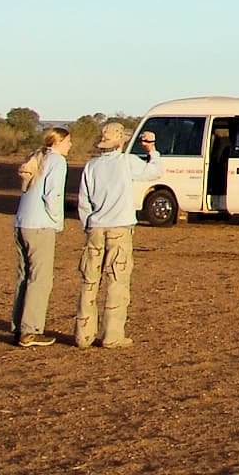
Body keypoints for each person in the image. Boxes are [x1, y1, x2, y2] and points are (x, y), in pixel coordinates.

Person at [74, 122, 161, 349]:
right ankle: (112, 335)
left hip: (95, 227)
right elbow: (154, 171)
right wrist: (151, 150)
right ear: (121, 141)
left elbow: (84, 201)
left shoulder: (91, 166)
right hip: (120, 227)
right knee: (117, 281)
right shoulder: (126, 162)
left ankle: (83, 335)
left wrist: (88, 226)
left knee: (89, 280)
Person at [10, 126, 72, 347]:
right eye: (67, 142)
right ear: (58, 142)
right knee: (40, 279)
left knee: (24, 277)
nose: (70, 146)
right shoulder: (57, 162)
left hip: (21, 223)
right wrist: (57, 221)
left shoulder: (36, 156)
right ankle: (31, 330)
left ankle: (18, 328)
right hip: (40, 226)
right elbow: (52, 195)